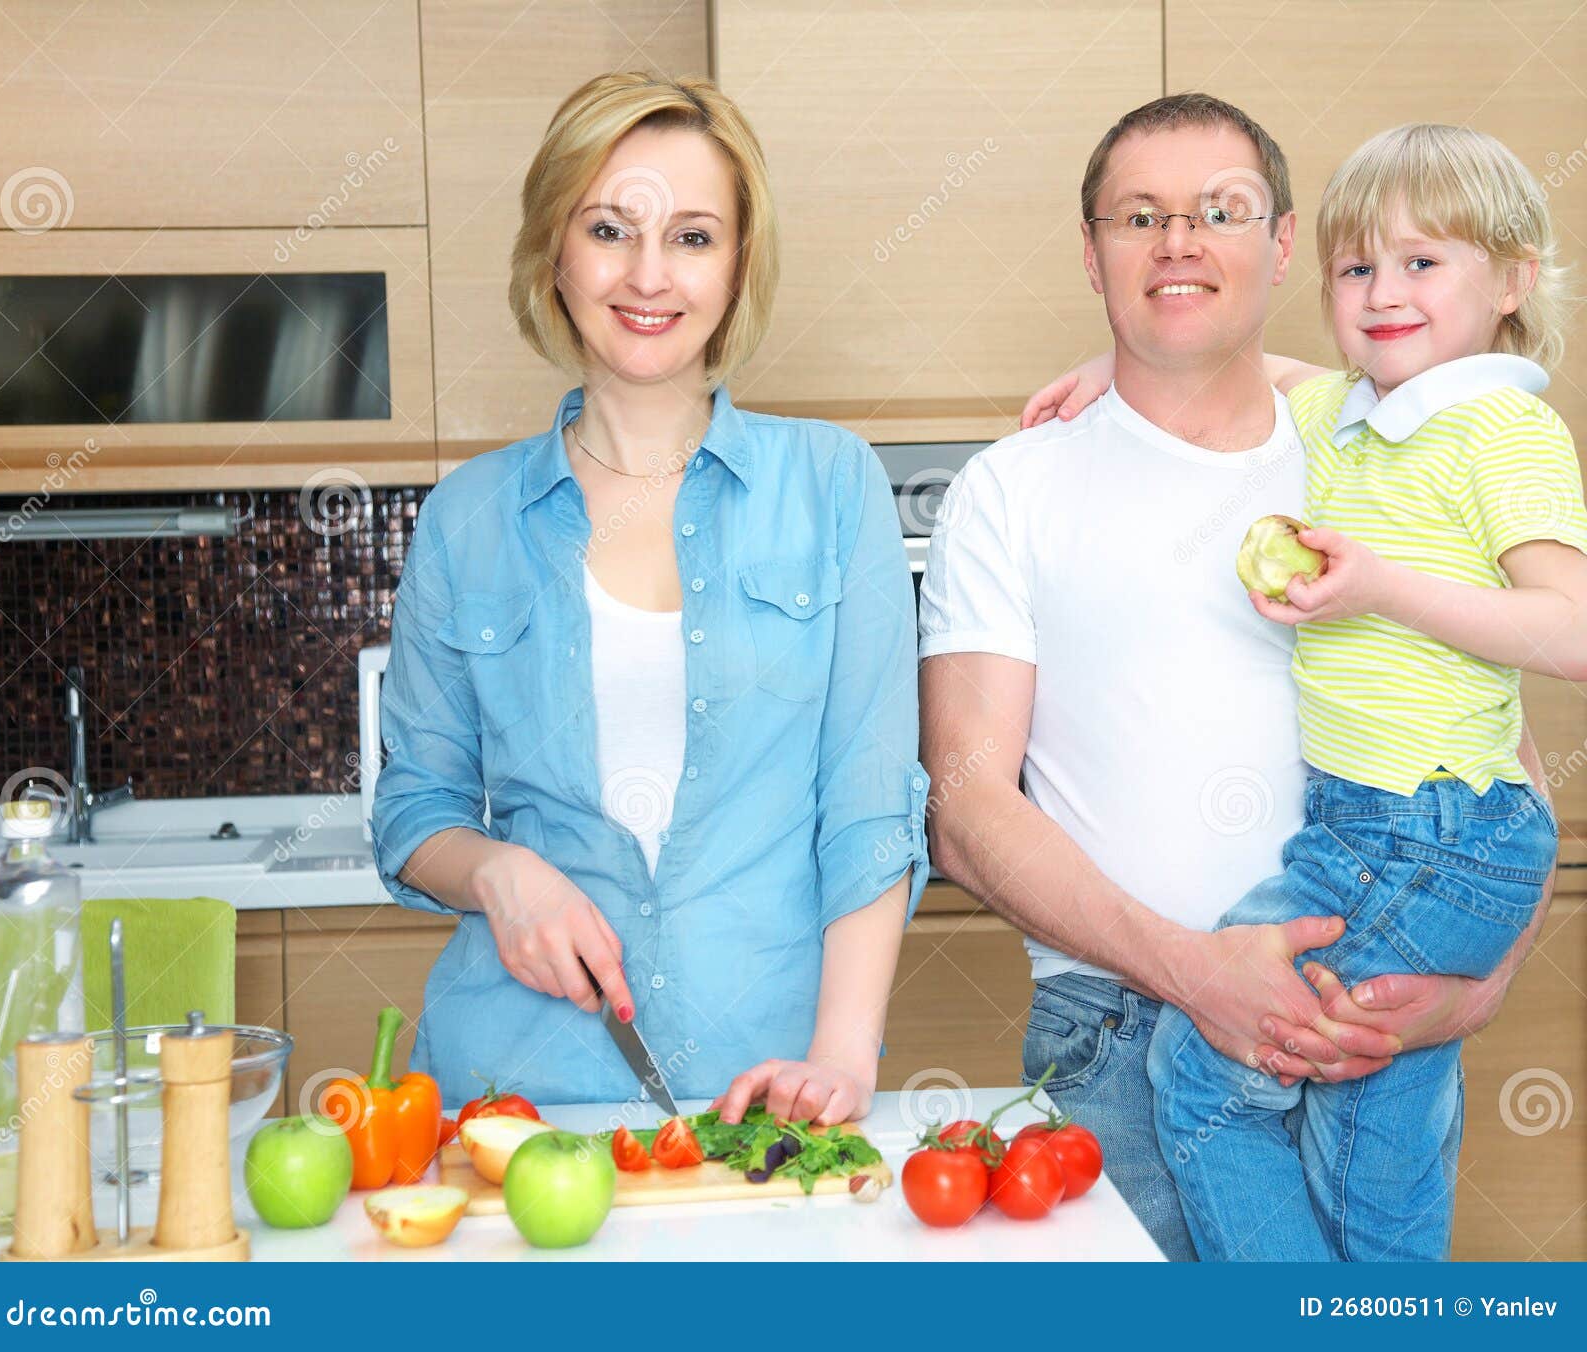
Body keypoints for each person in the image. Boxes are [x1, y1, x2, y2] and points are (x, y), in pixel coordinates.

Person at [923, 94, 1556, 1262]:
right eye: (1139, 217)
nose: (1178, 241)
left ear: (1279, 248)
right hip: (1118, 1033)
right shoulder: (1012, 486)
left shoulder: (1376, 450)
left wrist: (1472, 991)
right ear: (1091, 252)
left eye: (1220, 211)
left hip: (1375, 1019)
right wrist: (1198, 976)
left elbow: (1496, 761)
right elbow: (965, 812)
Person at [370, 72, 927, 1127]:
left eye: (693, 236)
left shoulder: (832, 484)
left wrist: (842, 1055)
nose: (648, 275)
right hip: (511, 1096)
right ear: (554, 252)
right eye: (610, 228)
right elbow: (414, 806)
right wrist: (497, 870)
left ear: (739, 263)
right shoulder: (467, 516)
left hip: (768, 1091)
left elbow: (867, 805)